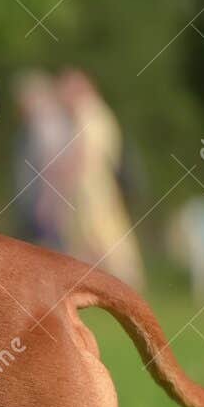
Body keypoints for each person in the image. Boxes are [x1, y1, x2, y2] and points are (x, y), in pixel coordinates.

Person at [56, 69, 145, 287]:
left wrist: (67, 177)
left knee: (105, 234)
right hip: (95, 185)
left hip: (93, 187)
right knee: (92, 234)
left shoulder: (89, 112)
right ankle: (89, 284)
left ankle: (128, 282)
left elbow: (86, 153)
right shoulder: (95, 112)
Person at [13, 70, 71, 251]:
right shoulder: (44, 122)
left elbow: (54, 165)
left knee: (50, 251)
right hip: (44, 200)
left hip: (46, 202)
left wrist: (47, 201)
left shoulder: (47, 123)